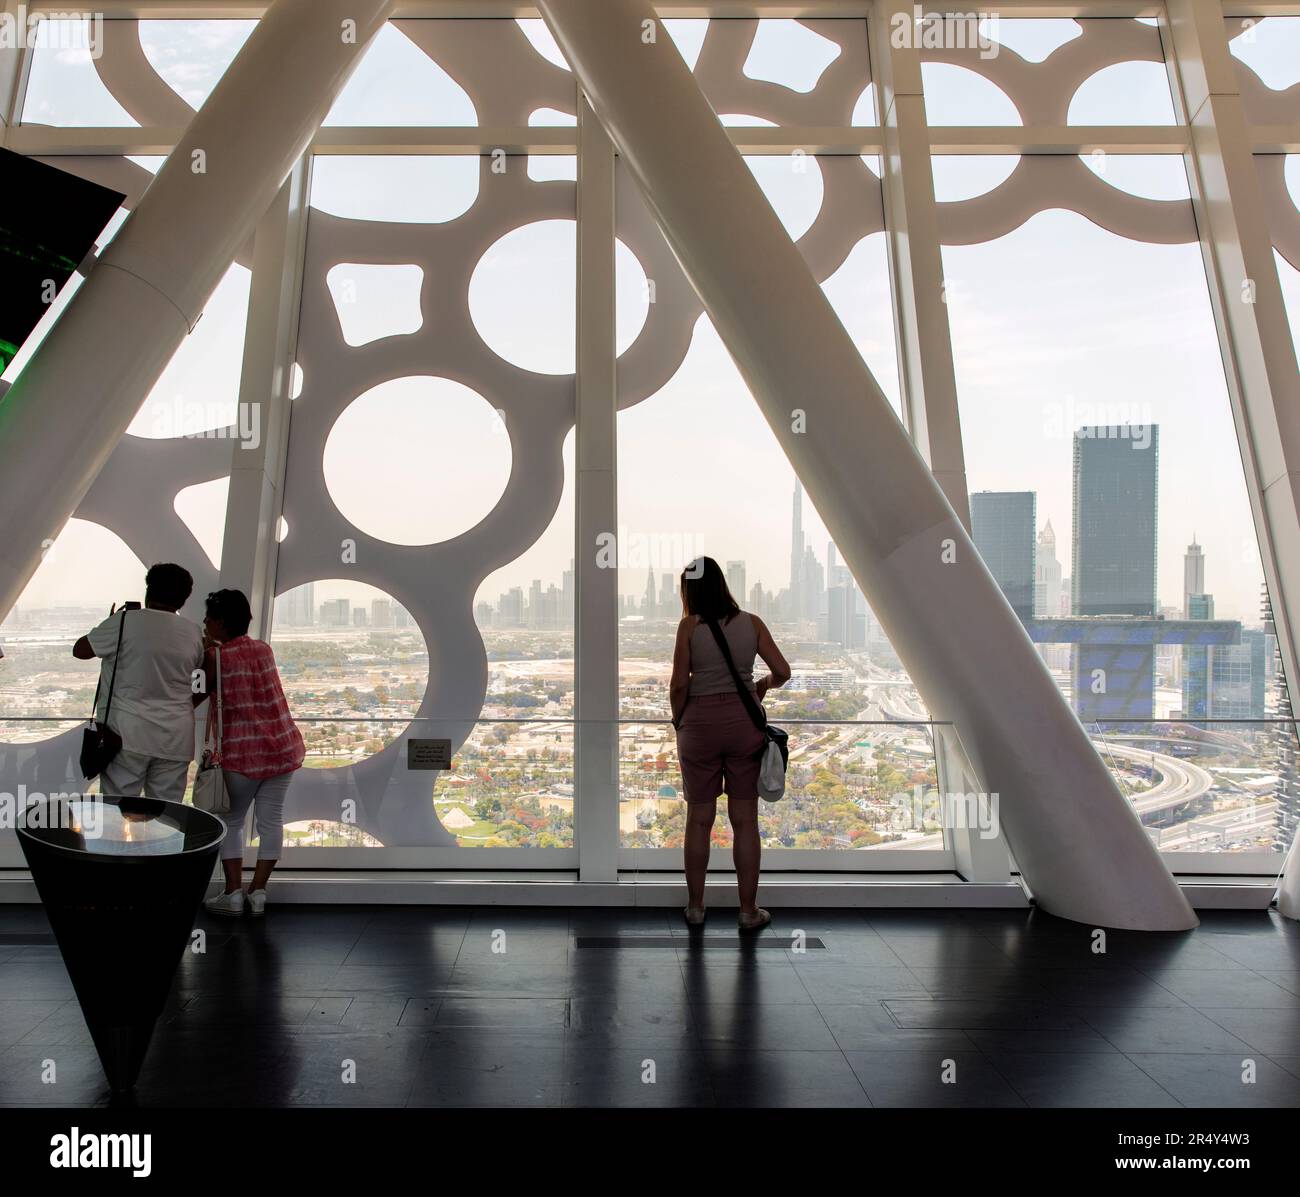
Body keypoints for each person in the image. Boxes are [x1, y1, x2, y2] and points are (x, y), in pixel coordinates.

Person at [669, 556, 791, 931]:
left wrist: (680, 721)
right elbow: (783, 672)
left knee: (699, 819)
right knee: (745, 820)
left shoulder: (689, 627)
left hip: (699, 728)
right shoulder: (752, 624)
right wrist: (760, 687)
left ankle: (695, 908)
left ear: (689, 590)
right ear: (723, 584)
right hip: (744, 725)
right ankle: (748, 911)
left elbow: (679, 684)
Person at [199, 589, 305, 918]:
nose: (203, 624)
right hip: (281, 748)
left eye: (207, 618)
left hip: (240, 754)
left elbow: (196, 695)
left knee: (231, 821)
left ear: (219, 621)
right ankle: (258, 892)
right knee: (271, 821)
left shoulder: (215, 658)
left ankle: (232, 893)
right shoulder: (263, 649)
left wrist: (206, 654)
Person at [73, 563, 204, 803]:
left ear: (148, 590)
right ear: (183, 599)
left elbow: (80, 650)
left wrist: (110, 625)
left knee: (115, 814)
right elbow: (199, 678)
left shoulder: (124, 622)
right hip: (176, 739)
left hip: (126, 736)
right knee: (168, 817)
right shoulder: (194, 632)